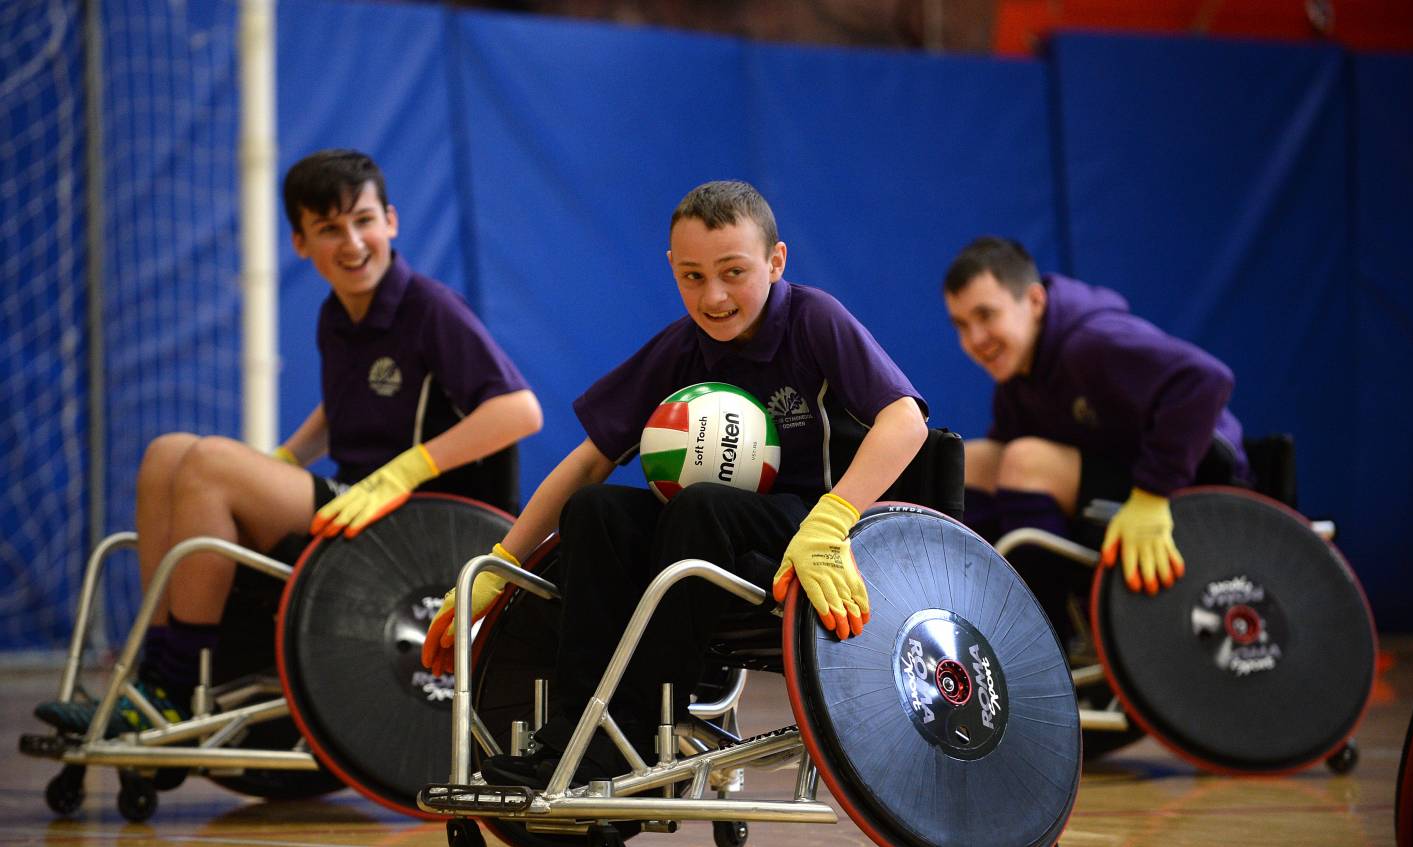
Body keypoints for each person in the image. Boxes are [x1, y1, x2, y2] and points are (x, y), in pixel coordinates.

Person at [421, 180, 928, 787]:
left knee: (700, 507)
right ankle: (575, 734)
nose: (714, 296)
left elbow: (907, 421)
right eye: (692, 276)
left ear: (775, 261)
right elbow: (588, 462)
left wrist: (834, 519)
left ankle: (634, 735)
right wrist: (503, 563)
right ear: (672, 268)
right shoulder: (681, 348)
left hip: (809, 535)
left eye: (733, 272)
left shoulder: (814, 318)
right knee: (595, 509)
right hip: (711, 535)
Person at [37, 149, 542, 735]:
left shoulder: (429, 307)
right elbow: (343, 405)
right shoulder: (338, 315)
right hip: (360, 503)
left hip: (424, 522)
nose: (352, 242)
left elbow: (519, 410)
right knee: (165, 455)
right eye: (329, 229)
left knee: (207, 463)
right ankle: (150, 677)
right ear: (301, 243)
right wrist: (284, 459)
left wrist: (403, 471)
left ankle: (176, 689)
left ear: (391, 221)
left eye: (364, 220)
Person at [942, 236, 1249, 630]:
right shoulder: (1017, 385)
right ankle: (982, 614)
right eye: (961, 325)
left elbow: (1206, 380)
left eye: (986, 315)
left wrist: (1152, 494)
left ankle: (1046, 637)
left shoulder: (1093, 342)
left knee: (1025, 461)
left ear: (1034, 301)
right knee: (968, 462)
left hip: (1201, 482)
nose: (975, 339)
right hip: (1120, 481)